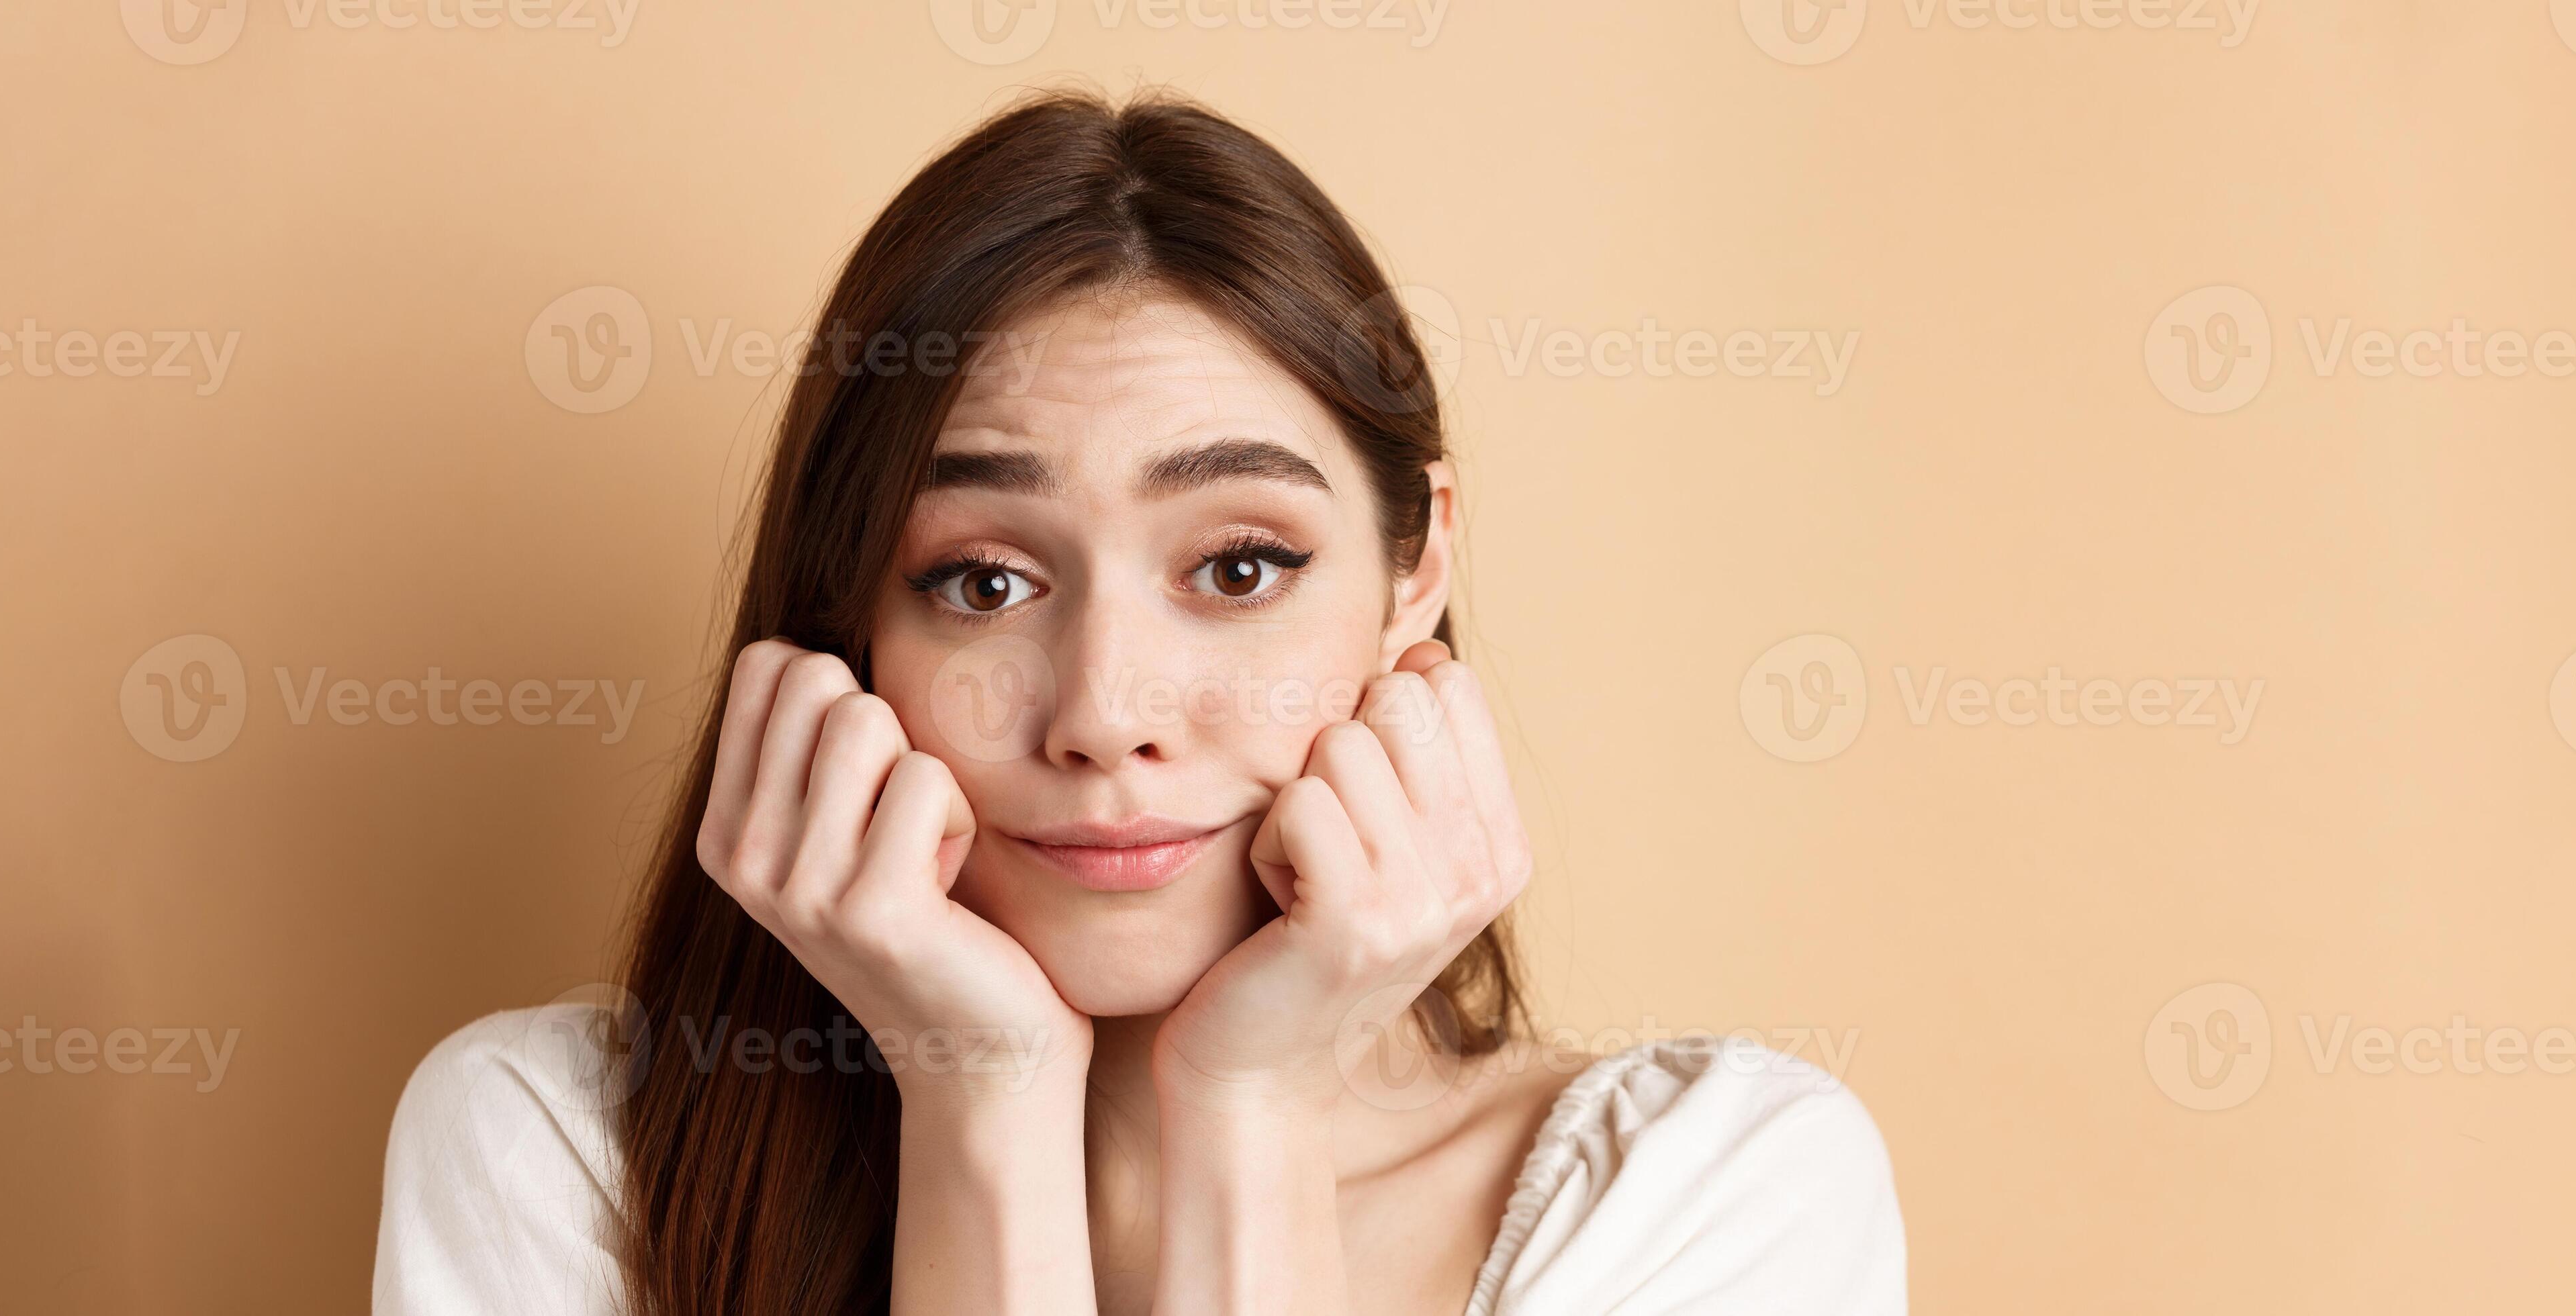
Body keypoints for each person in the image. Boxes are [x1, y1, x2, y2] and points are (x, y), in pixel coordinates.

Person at [374, 89, 1904, 1315]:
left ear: (1415, 564)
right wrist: (982, 1097)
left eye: (1237, 567)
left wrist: (1251, 1107)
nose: (1103, 713)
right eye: (981, 580)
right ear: (843, 617)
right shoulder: (552, 1152)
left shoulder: (1716, 1191)